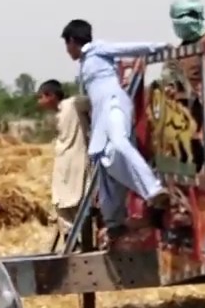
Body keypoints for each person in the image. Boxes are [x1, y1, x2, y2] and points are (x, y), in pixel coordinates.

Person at [60, 19, 170, 241]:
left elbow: (129, 48)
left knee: (119, 144)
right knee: (105, 161)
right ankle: (114, 221)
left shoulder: (98, 49)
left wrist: (161, 47)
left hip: (114, 104)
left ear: (72, 40)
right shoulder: (84, 64)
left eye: (67, 44)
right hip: (101, 113)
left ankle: (154, 189)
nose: (67, 50)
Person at [36, 79, 91, 236]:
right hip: (64, 166)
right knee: (61, 204)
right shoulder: (59, 114)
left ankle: (81, 242)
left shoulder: (73, 104)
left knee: (79, 203)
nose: (39, 102)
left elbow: (93, 101)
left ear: (51, 96)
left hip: (77, 163)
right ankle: (72, 239)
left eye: (41, 97)